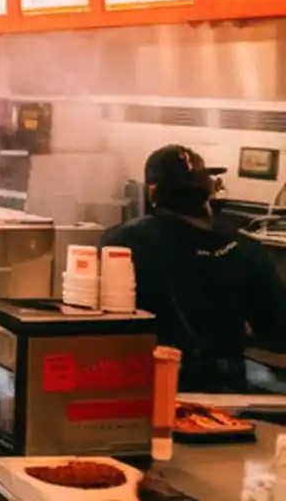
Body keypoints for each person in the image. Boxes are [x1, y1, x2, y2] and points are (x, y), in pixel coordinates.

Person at [101, 145, 286, 392]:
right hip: (226, 396)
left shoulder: (122, 241)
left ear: (152, 192)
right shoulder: (246, 248)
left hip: (149, 388)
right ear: (209, 190)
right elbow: (277, 331)